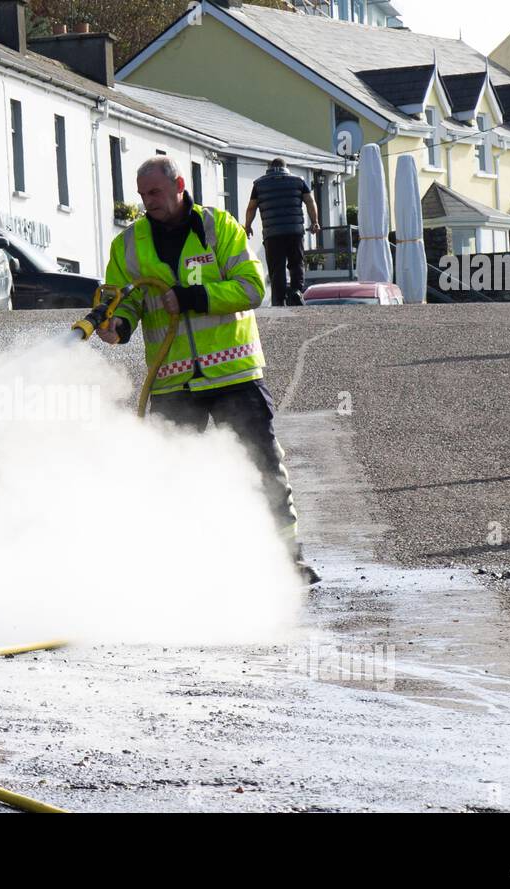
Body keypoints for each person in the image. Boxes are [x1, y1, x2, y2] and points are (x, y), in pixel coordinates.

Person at [96, 156, 321, 585]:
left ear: (179, 184)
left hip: (233, 373)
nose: (148, 203)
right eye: (142, 195)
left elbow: (254, 287)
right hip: (172, 379)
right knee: (172, 475)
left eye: (155, 193)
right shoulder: (127, 245)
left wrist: (192, 297)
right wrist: (118, 326)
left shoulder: (219, 228)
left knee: (263, 466)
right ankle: (185, 569)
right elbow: (125, 298)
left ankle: (288, 560)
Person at [244, 158, 320, 307]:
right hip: (295, 231)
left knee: (276, 268)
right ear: (287, 167)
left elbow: (252, 207)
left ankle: (278, 299)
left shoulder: (259, 184)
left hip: (272, 234)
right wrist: (315, 221)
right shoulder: (298, 181)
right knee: (296, 263)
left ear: (269, 167)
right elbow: (310, 201)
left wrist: (248, 226)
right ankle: (296, 293)